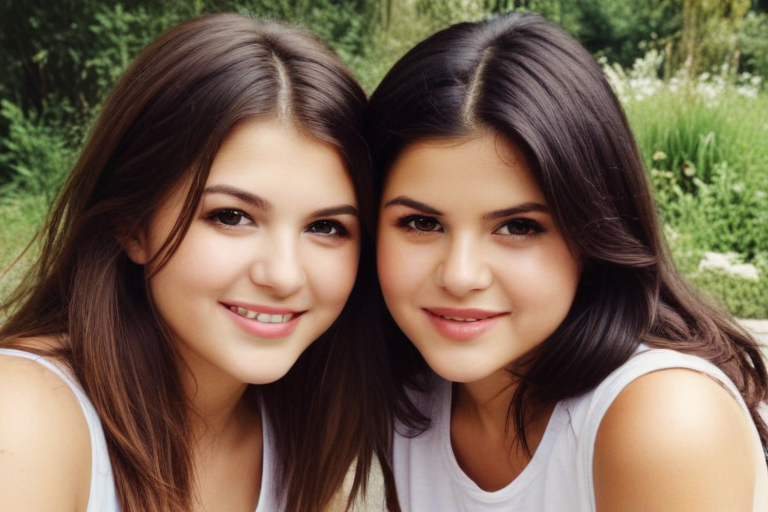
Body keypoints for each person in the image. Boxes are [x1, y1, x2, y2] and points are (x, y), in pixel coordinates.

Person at [367, 12, 768, 512]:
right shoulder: (400, 396)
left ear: (594, 231)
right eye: (422, 224)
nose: (461, 275)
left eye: (518, 227)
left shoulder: (664, 420)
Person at [0, 13, 393, 512]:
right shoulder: (24, 417)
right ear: (132, 224)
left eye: (326, 227)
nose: (284, 274)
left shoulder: (305, 430)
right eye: (231, 216)